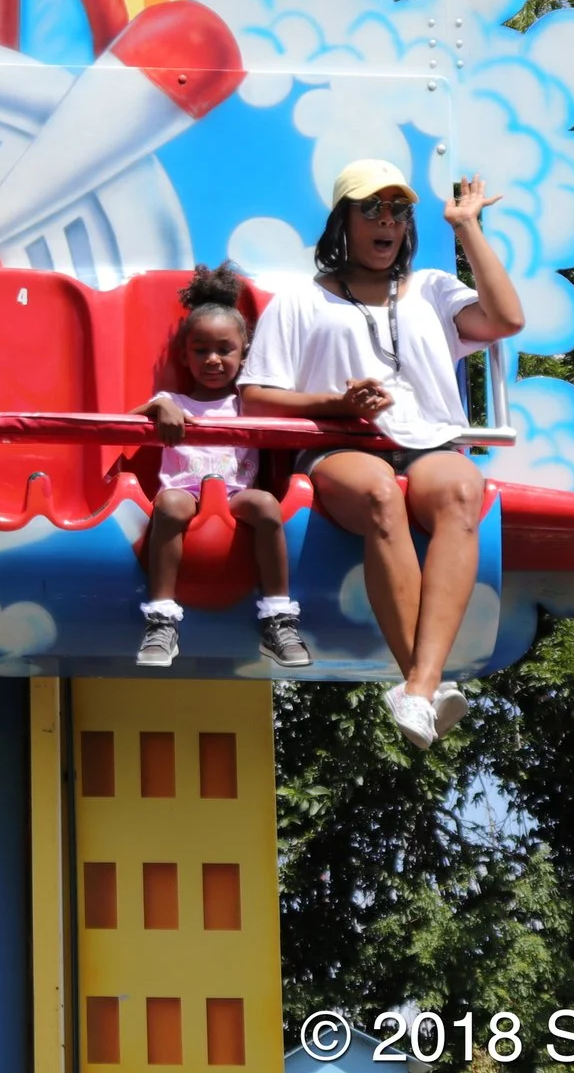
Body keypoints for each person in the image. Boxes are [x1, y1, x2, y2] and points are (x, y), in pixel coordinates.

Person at [239, 159, 525, 749]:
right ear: (342, 221)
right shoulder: (299, 300)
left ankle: (419, 686)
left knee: (462, 491)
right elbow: (252, 398)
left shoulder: (434, 289)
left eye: (397, 209)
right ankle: (423, 683)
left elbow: (506, 319)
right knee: (377, 494)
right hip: (341, 444)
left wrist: (467, 227)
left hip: (429, 442)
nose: (386, 220)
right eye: (371, 208)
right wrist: (336, 404)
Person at [135, 264, 312, 671]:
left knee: (267, 504)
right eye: (200, 350)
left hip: (234, 495)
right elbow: (130, 420)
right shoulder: (172, 400)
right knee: (171, 506)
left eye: (224, 350)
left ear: (244, 353)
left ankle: (278, 615)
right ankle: (161, 618)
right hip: (184, 493)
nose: (212, 359)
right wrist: (158, 407)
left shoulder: (248, 404)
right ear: (184, 354)